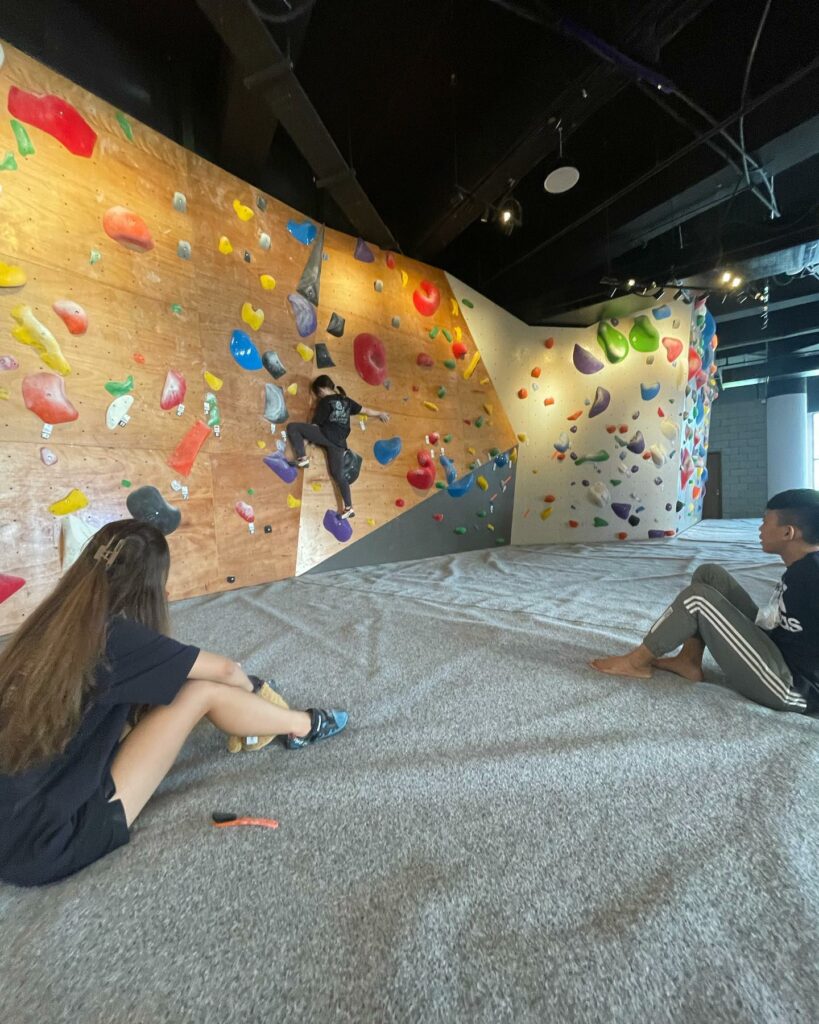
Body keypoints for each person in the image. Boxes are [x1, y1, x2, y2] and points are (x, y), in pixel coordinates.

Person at [0, 520, 348, 887]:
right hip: (44, 843)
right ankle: (304, 725)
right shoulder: (118, 637)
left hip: (13, 818)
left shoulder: (46, 623)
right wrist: (256, 690)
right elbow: (226, 671)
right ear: (150, 586)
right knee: (198, 692)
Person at [591, 489, 819, 713]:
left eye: (765, 521)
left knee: (699, 599)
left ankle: (636, 663)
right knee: (709, 575)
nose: (760, 528)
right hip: (776, 645)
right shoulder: (802, 566)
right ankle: (688, 661)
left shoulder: (813, 573)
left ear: (788, 533)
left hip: (791, 685)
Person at [286, 374, 389, 520]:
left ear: (321, 389)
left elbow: (315, 426)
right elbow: (365, 410)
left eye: (318, 392)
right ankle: (349, 507)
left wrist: (304, 445)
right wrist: (380, 413)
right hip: (340, 444)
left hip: (326, 435)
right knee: (338, 475)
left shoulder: (325, 401)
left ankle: (302, 458)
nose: (318, 395)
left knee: (293, 427)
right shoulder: (346, 401)